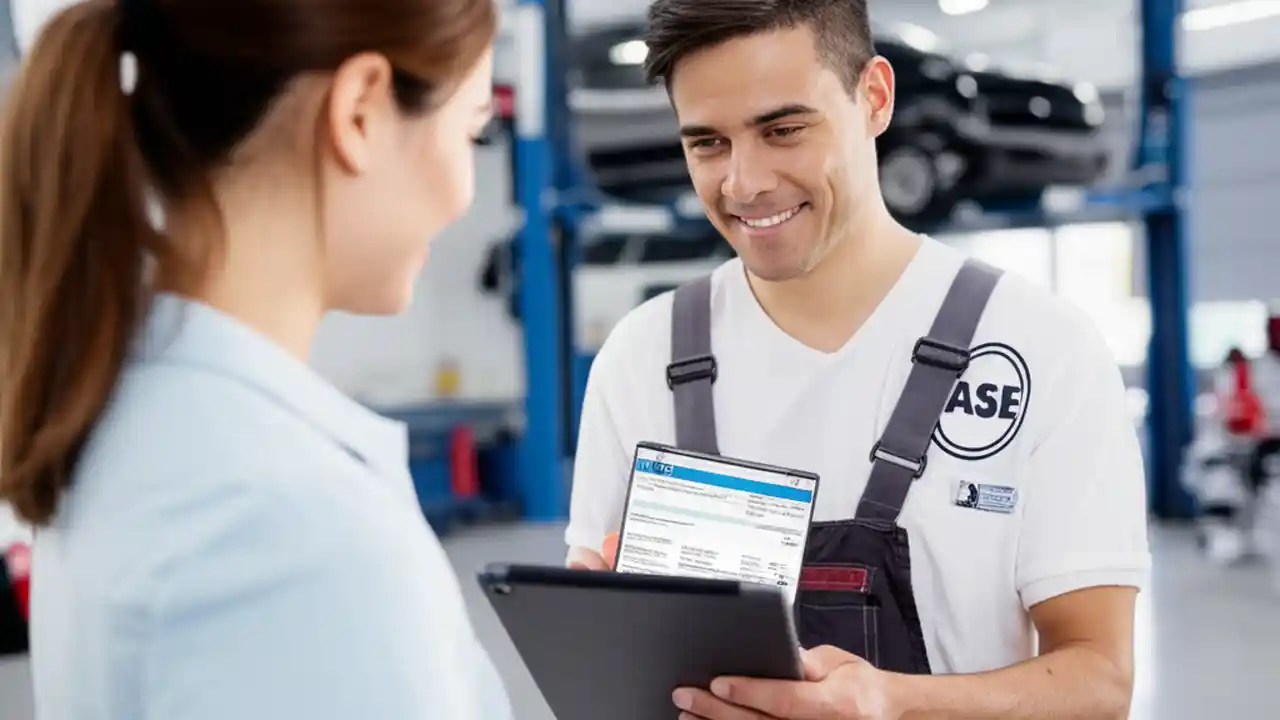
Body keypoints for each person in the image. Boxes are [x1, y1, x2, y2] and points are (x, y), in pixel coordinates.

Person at [566, 1, 1150, 718]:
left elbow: (1100, 681)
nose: (744, 183)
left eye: (783, 130)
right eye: (708, 144)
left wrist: (892, 706)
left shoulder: (1041, 348)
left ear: (874, 97)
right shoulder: (642, 359)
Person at [0, 0, 510, 717]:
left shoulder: (119, 420)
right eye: (472, 131)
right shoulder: (301, 535)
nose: (465, 192)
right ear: (359, 111)